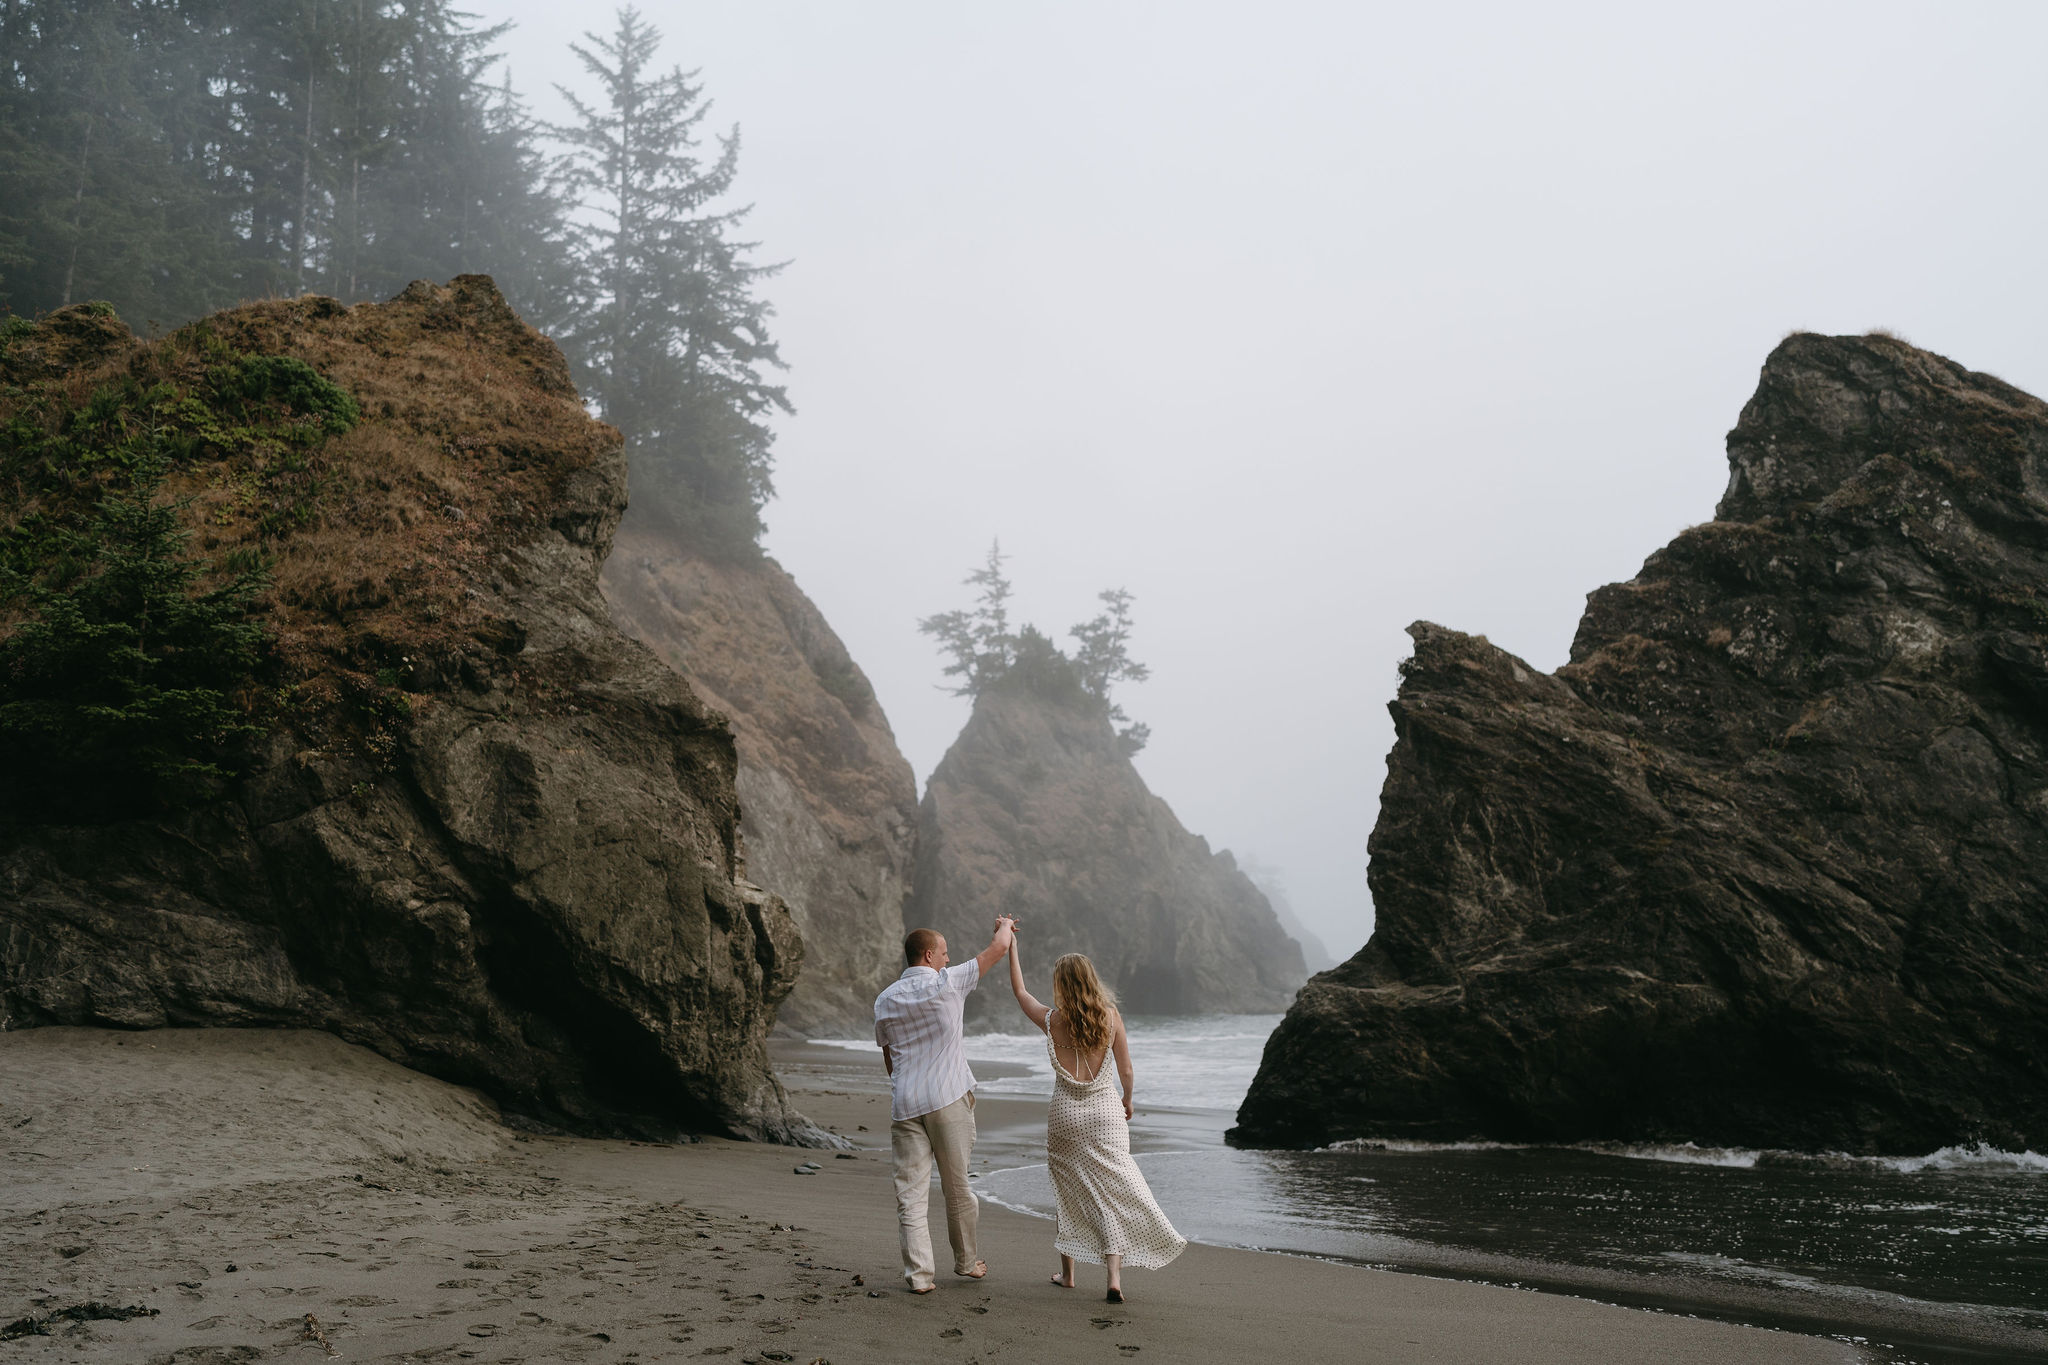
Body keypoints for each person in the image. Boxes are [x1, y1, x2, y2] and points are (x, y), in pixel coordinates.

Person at [1005, 934, 1186, 1303]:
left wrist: (1011, 946)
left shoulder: (1052, 1019)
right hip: (1105, 1114)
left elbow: (1021, 992)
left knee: (1068, 1193)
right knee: (1114, 1192)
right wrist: (1128, 1101)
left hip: (1065, 1116)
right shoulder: (1110, 1015)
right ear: (1091, 980)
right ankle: (1113, 1277)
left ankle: (1068, 1275)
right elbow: (1127, 1070)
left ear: (1060, 984)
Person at [874, 916, 1017, 1294]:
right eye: (944, 953)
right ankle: (966, 1262)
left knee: (910, 1196)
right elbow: (999, 948)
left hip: (906, 1104)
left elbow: (891, 1059)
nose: (948, 959)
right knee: (956, 1189)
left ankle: (919, 1277)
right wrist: (1005, 923)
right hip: (948, 1098)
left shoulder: (885, 999)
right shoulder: (948, 982)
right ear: (928, 955)